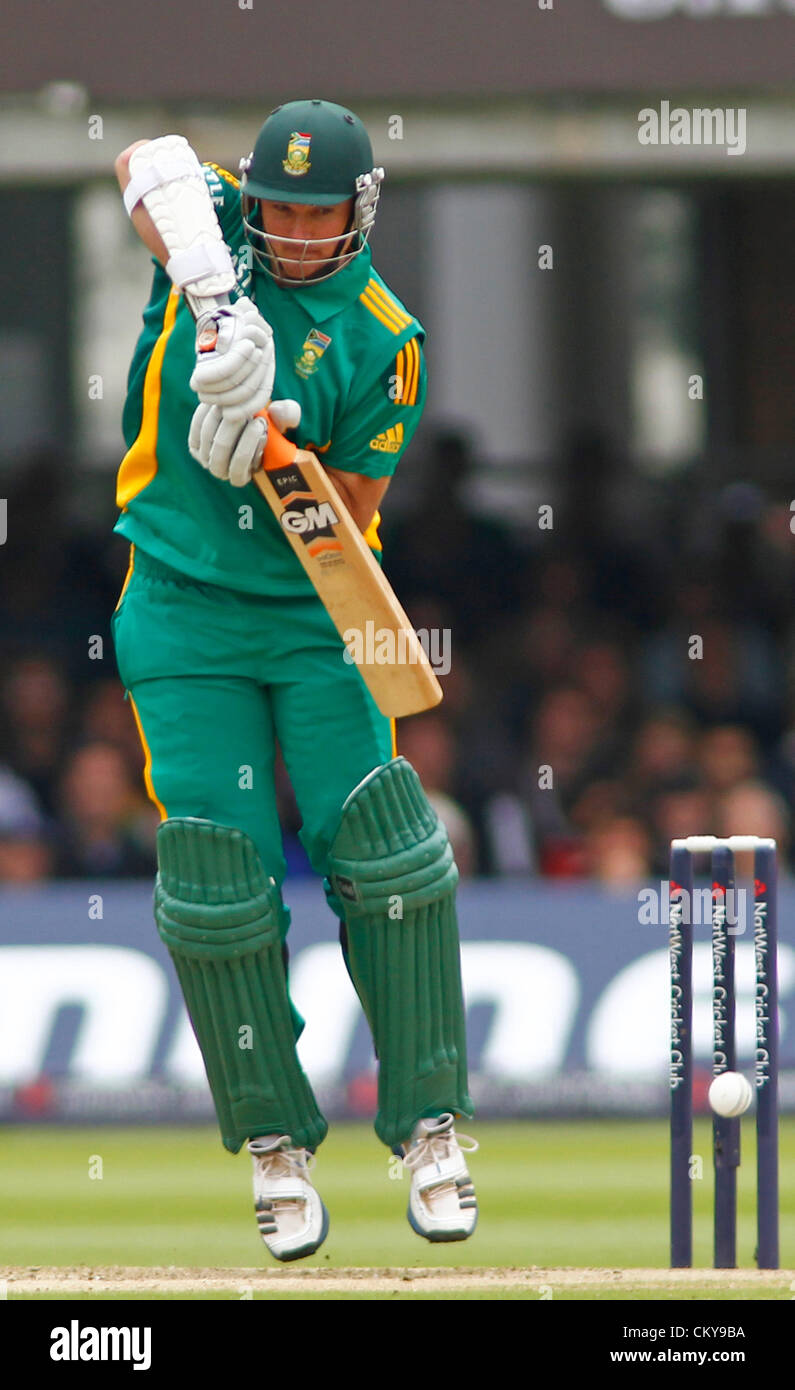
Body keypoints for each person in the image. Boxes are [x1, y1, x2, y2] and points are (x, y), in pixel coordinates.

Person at [112, 99, 477, 1261]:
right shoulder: (215, 218)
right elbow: (143, 160)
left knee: (388, 855)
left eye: (318, 211)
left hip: (321, 615)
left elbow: (352, 521)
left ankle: (431, 1128)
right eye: (280, 204)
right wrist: (217, 301)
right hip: (178, 607)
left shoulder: (385, 335)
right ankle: (275, 1149)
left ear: (359, 211)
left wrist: (276, 441)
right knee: (218, 879)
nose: (296, 228)